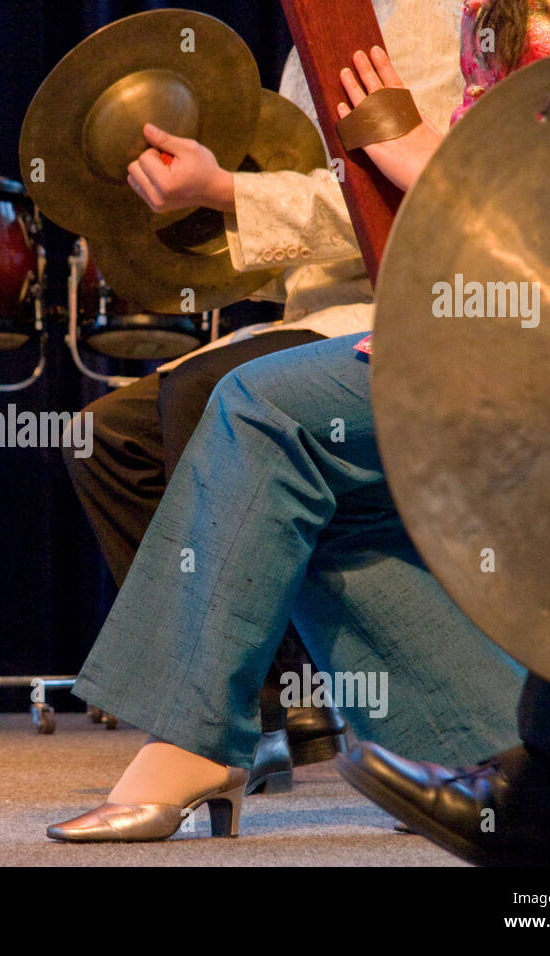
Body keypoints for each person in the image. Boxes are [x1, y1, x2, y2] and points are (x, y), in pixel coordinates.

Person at [45, 0, 550, 843]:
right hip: (514, 318)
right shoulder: (494, 13)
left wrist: (423, 169)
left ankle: (195, 741)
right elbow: (474, 217)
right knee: (316, 482)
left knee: (260, 407)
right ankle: (500, 758)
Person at [63, 0, 467, 793]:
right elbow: (307, 214)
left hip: (400, 310)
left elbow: (396, 205)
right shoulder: (314, 34)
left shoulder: (443, 18)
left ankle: (212, 718)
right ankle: (272, 707)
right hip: (311, 315)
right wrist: (192, 207)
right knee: (104, 438)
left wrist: (228, 194)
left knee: (211, 394)